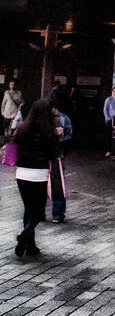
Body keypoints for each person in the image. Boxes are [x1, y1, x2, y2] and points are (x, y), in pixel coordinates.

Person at [12, 98, 60, 258]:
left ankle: (30, 246)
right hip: (38, 174)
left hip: (21, 174)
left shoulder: (23, 128)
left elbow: (16, 143)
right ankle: (24, 235)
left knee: (28, 208)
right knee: (38, 211)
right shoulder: (48, 131)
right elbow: (54, 154)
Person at [49, 105, 73, 223]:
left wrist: (60, 137)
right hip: (45, 155)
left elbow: (69, 136)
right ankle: (38, 212)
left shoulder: (64, 119)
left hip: (58, 155)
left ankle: (58, 213)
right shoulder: (43, 118)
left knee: (58, 183)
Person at [103, 85, 115, 158]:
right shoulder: (109, 99)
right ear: (112, 92)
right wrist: (107, 118)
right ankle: (108, 151)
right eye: (114, 91)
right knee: (109, 136)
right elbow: (105, 109)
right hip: (110, 120)